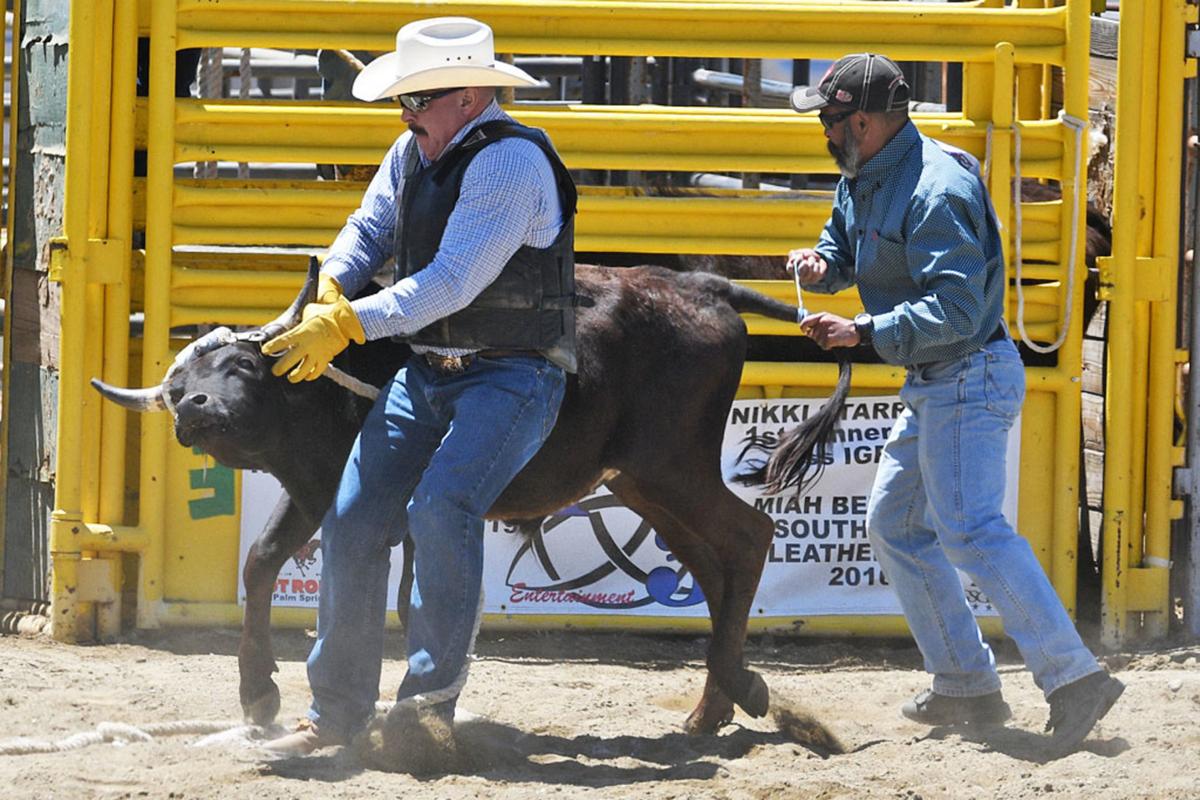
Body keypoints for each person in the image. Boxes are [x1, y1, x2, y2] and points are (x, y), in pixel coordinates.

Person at [787, 53, 1123, 757]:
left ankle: (1075, 677)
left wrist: (866, 330)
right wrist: (822, 268)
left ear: (867, 121)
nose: (823, 131)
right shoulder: (868, 173)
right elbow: (843, 247)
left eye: (831, 119)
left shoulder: (933, 188)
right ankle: (966, 682)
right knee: (898, 525)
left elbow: (958, 305)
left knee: (968, 528)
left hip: (965, 371)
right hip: (947, 376)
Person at [261, 16, 576, 756]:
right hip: (434, 369)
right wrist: (331, 287)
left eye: (418, 100)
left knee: (442, 507)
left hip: (513, 372)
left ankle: (427, 704)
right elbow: (366, 230)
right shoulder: (416, 149)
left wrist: (344, 324)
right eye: (404, 102)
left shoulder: (510, 164)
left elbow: (451, 282)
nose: (405, 116)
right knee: (352, 518)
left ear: (468, 96)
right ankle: (335, 712)